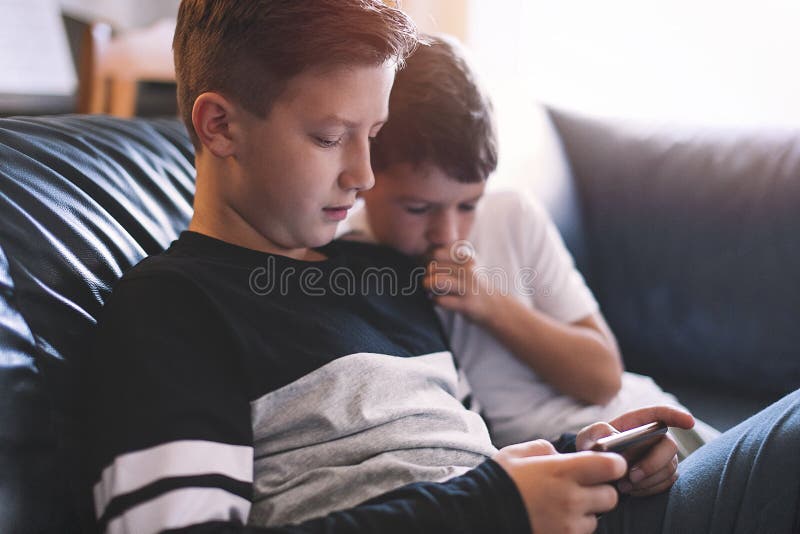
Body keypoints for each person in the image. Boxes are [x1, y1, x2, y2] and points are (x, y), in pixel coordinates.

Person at [85, 2, 799, 534]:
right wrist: (500, 505)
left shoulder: (385, 273)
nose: (364, 176)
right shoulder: (174, 308)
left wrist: (576, 456)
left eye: (373, 136)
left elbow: (458, 460)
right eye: (330, 138)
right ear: (220, 126)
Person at [341, 34, 719, 452]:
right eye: (418, 208)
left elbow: (603, 378)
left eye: (468, 205)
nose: (447, 233)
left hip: (640, 423)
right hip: (563, 457)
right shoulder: (347, 258)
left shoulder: (511, 216)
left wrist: (489, 303)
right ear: (365, 175)